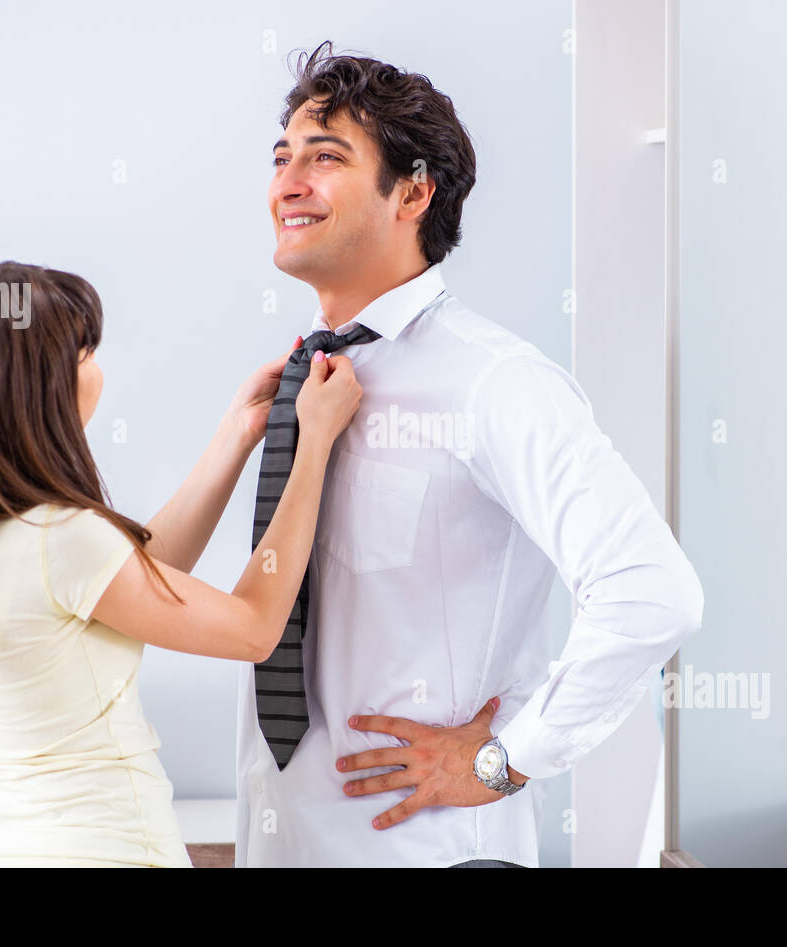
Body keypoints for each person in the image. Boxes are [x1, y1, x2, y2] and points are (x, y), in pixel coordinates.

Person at [232, 42, 706, 868]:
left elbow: (653, 590)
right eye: (283, 158)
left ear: (414, 190)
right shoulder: (305, 379)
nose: (288, 183)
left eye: (327, 157)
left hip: (434, 851)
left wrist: (504, 759)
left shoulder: (495, 382)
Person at [0, 261, 362, 866]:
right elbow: (255, 625)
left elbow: (126, 581)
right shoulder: (62, 539)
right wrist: (313, 445)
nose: (97, 370)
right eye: (84, 354)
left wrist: (236, 435)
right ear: (38, 387)